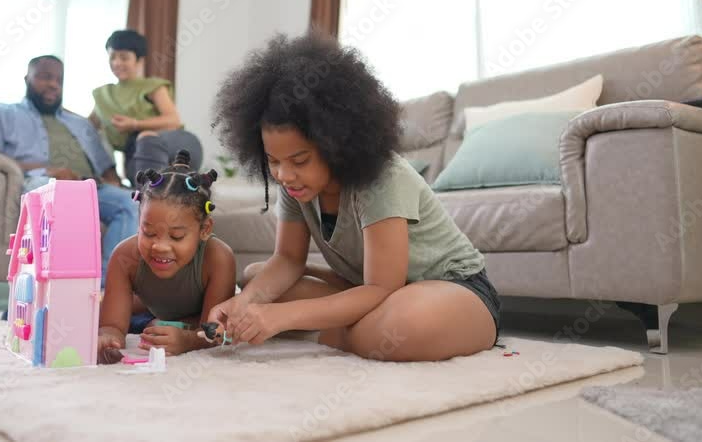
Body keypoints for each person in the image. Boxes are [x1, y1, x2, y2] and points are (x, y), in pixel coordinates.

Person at [206, 33, 502, 362]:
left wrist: (282, 317)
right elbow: (289, 259)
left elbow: (381, 288)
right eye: (273, 161)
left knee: (400, 328)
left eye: (299, 160)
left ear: (336, 145)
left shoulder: (382, 178)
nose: (284, 175)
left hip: (453, 289)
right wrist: (241, 305)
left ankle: (337, 333)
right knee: (255, 278)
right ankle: (353, 328)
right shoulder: (296, 184)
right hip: (373, 291)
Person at [0, 54, 138, 276]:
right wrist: (48, 171)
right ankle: (59, 287)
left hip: (89, 188)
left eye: (59, 80)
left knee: (132, 203)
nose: (53, 85)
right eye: (45, 77)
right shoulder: (0, 114)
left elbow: (107, 168)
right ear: (27, 79)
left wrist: (117, 184)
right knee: (57, 193)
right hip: (38, 183)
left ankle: (105, 289)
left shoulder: (81, 124)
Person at [97, 150, 236, 356]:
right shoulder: (124, 256)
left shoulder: (218, 258)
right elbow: (111, 326)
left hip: (198, 315)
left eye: (177, 236)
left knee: (230, 327)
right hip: (152, 309)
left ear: (205, 229)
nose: (159, 246)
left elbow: (215, 334)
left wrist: (190, 341)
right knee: (98, 316)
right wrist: (110, 338)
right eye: (149, 232)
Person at [90, 29, 203, 180]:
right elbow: (87, 127)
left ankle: (153, 194)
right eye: (112, 57)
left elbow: (173, 120)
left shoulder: (153, 86)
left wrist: (134, 124)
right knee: (137, 173)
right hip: (136, 156)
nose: (117, 63)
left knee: (146, 138)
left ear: (139, 61)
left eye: (124, 58)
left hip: (177, 146)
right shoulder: (102, 95)